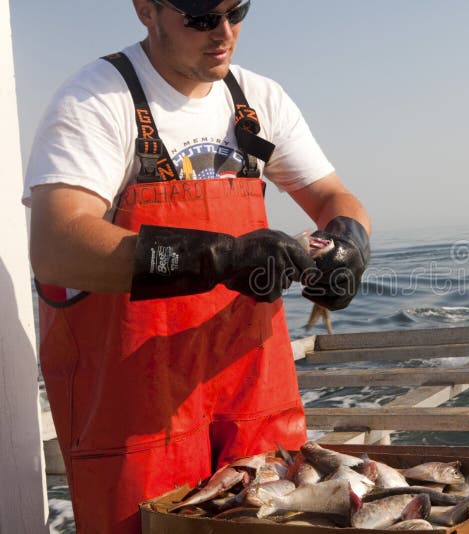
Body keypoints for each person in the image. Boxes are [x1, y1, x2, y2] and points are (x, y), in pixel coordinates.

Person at [23, 0, 370, 532]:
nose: (224, 33)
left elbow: (331, 195)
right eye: (203, 18)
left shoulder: (257, 97)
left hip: (254, 393)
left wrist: (349, 241)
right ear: (146, 9)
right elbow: (58, 244)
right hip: (136, 411)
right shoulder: (96, 99)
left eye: (239, 11)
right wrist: (220, 257)